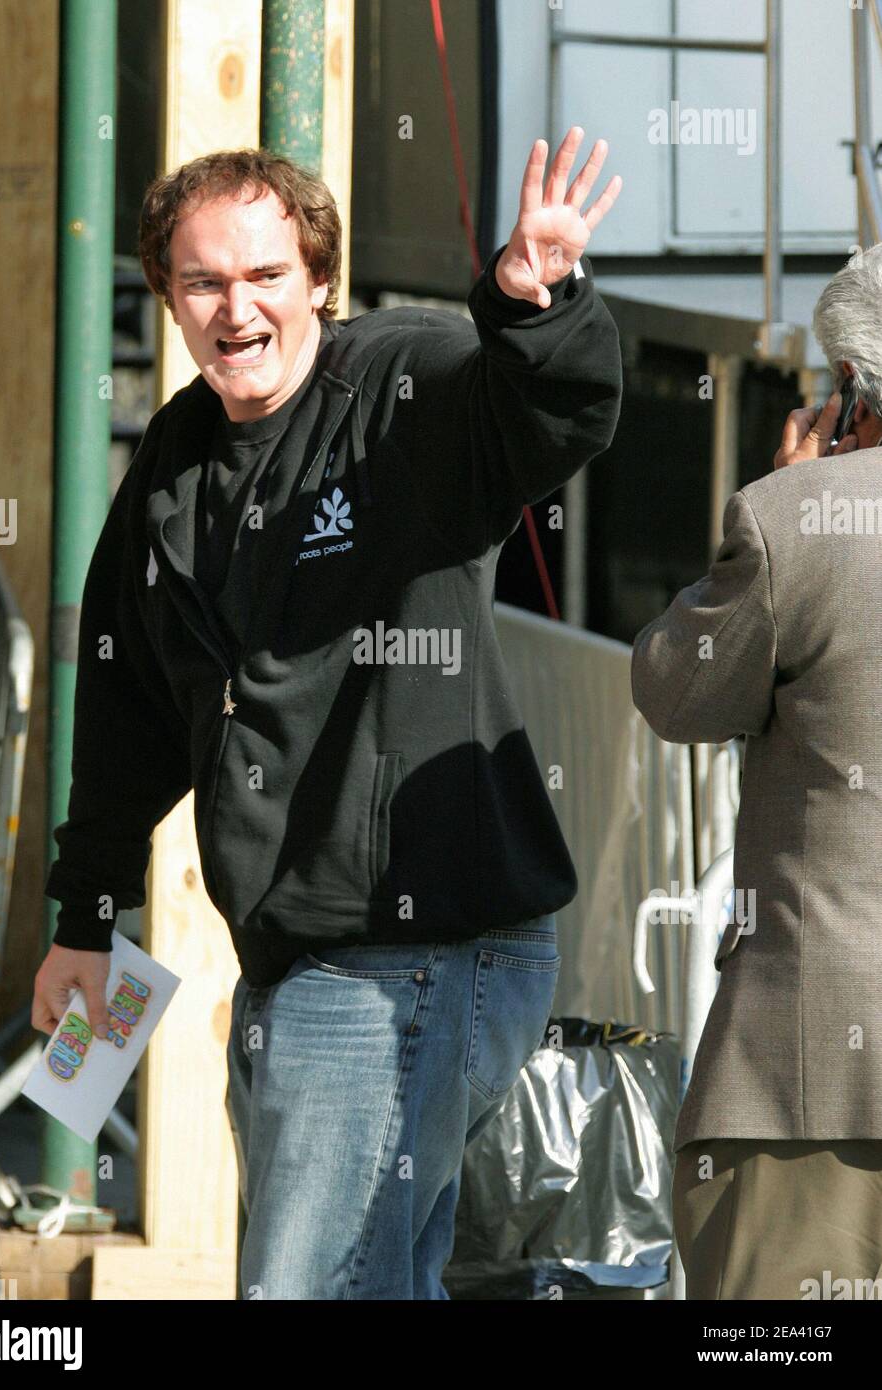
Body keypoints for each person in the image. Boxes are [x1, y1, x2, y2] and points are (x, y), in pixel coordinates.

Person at [34, 132, 623, 1299]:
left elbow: (549, 416)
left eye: (264, 276)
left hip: (409, 946)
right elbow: (127, 704)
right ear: (167, 295)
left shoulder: (406, 385)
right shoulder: (176, 455)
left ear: (318, 280)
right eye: (203, 281)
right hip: (295, 958)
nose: (235, 309)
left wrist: (537, 305)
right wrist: (86, 914)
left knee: (314, 1290)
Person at [631, 244, 882, 1300]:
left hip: (807, 1085)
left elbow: (675, 692)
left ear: (855, 390)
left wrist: (795, 497)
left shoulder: (802, 524)